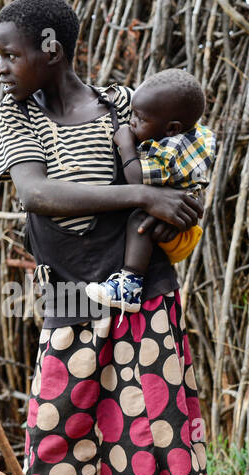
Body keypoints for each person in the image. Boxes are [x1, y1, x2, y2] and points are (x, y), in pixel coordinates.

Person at [0, 0, 211, 475]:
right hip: (68, 298)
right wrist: (144, 194)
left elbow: (183, 161)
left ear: (52, 47)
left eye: (10, 53)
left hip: (143, 299)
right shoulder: (18, 115)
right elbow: (36, 195)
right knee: (50, 441)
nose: (0, 68)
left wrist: (176, 198)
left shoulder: (123, 105)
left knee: (143, 441)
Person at [86, 68, 217, 313]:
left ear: (171, 128)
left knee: (140, 222)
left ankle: (129, 285)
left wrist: (126, 145)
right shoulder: (196, 134)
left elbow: (137, 180)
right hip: (182, 203)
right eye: (133, 114)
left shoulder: (168, 149)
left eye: (141, 119)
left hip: (171, 215)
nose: (132, 121)